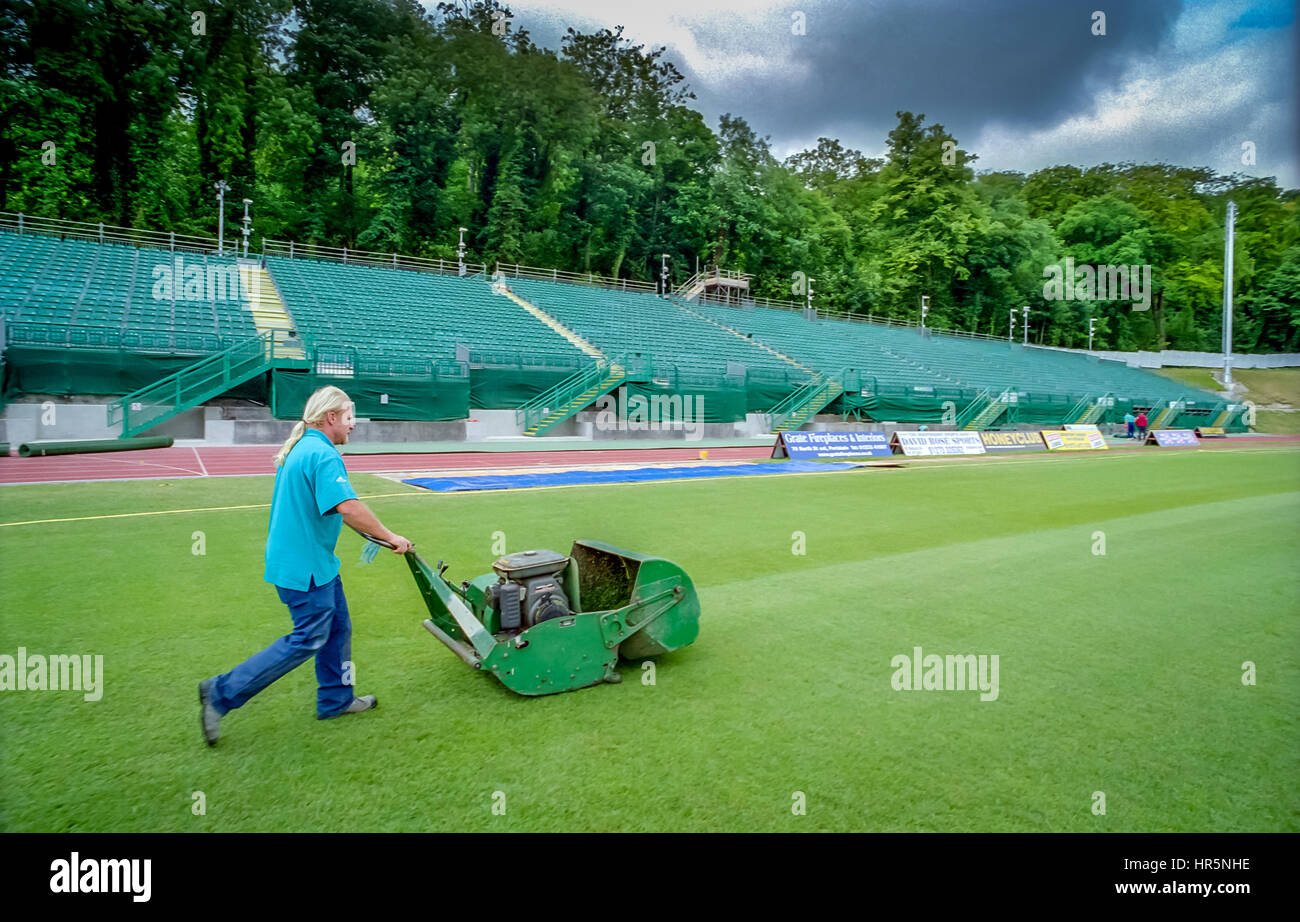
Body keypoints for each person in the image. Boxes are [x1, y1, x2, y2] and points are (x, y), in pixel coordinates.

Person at [198, 386, 411, 745]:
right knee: (308, 638)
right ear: (331, 418)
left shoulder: (306, 447)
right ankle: (220, 692)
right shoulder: (323, 455)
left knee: (338, 629)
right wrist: (391, 536)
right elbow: (348, 507)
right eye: (348, 417)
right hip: (305, 568)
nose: (353, 425)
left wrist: (373, 535)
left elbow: (331, 507)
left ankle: (336, 700)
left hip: (314, 563)